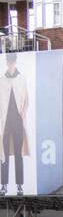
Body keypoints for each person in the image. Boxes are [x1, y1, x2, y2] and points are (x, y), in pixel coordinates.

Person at [0, 53, 30, 197]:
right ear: (7, 62)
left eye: (13, 61)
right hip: (4, 122)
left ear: (15, 61)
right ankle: (4, 185)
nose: (11, 63)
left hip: (17, 121)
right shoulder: (1, 80)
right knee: (3, 154)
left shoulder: (21, 78)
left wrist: (22, 115)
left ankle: (19, 186)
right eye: (9, 61)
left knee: (19, 154)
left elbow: (27, 98)